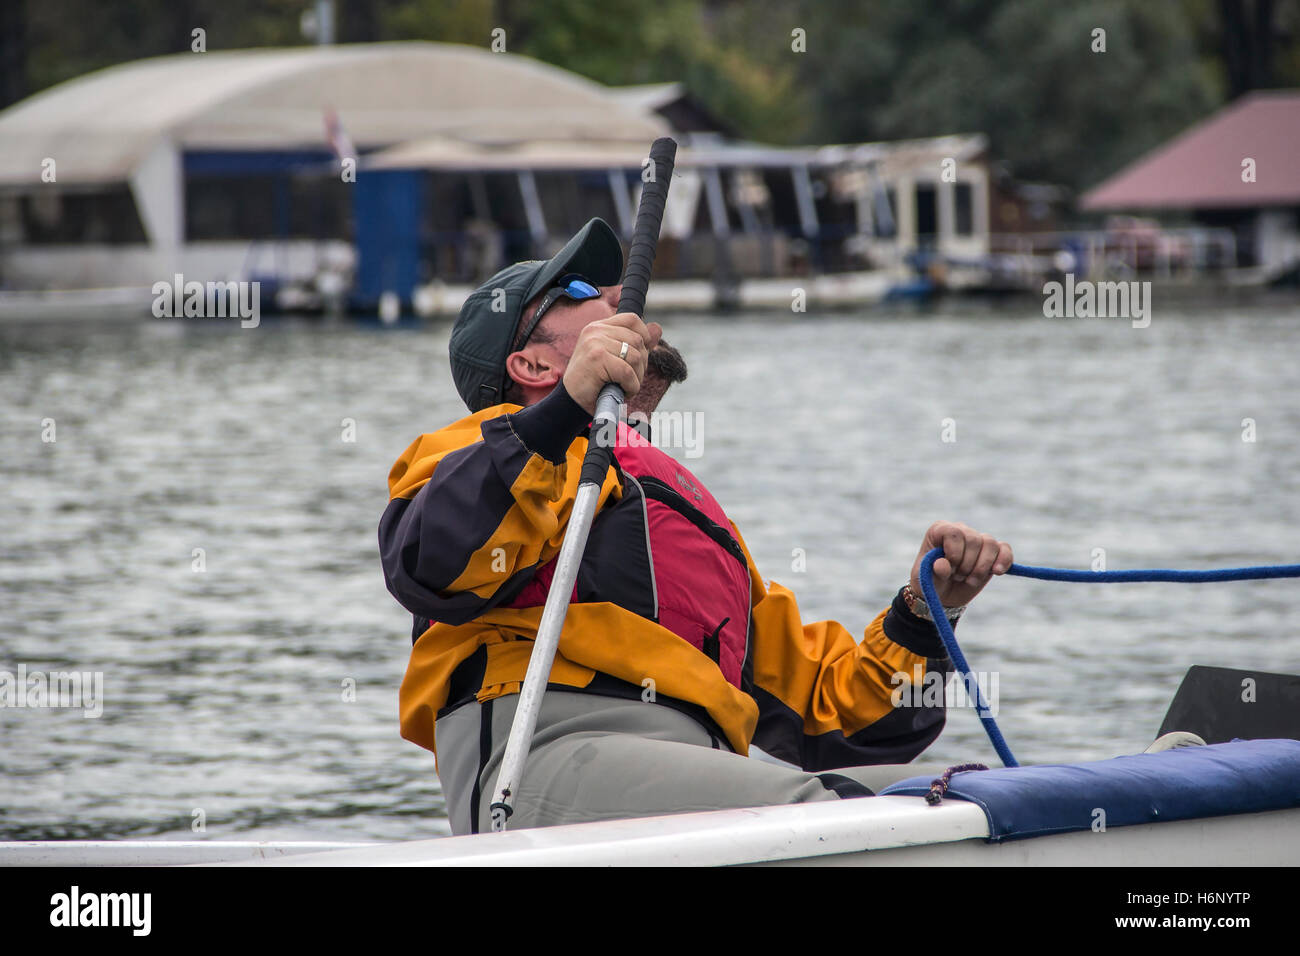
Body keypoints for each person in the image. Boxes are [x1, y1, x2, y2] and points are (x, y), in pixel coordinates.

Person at [379, 218, 1014, 835]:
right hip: (539, 760)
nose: (613, 297)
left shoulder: (696, 520)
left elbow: (850, 728)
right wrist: (565, 414)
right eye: (577, 291)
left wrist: (923, 615)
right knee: (835, 814)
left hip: (695, 777)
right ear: (535, 367)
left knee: (974, 799)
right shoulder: (473, 453)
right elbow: (425, 561)